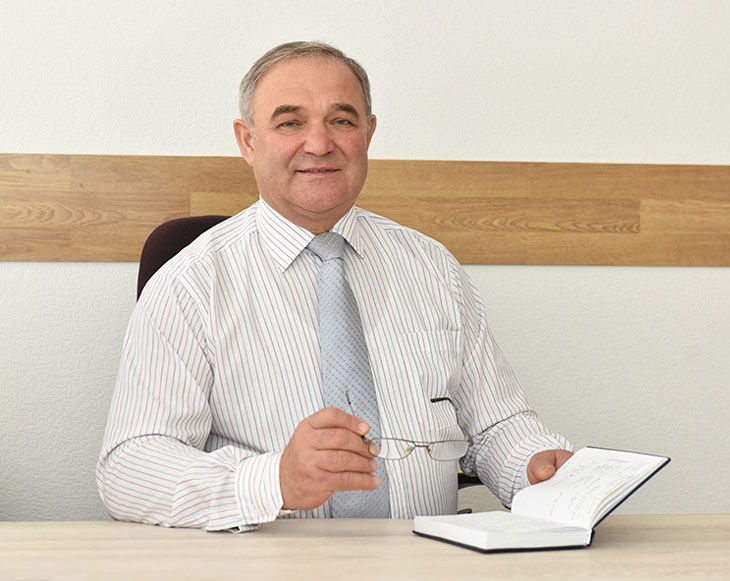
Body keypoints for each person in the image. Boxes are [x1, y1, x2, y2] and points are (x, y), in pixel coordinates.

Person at [96, 41, 572, 532]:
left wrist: (533, 466)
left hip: (425, 557)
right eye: (290, 123)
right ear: (248, 142)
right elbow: (129, 468)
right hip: (268, 560)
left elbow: (497, 424)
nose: (320, 144)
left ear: (368, 134)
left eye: (341, 121)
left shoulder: (433, 269)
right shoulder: (190, 284)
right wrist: (273, 481)